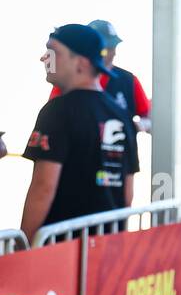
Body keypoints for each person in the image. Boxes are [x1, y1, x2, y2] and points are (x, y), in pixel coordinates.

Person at [20, 24, 139, 241]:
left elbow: (43, 188)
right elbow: (127, 194)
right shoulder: (122, 116)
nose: (44, 58)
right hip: (108, 245)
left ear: (81, 63)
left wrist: (23, 247)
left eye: (53, 52)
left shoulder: (57, 111)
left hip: (62, 253)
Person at [49, 20, 152, 132]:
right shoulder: (68, 81)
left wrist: (137, 125)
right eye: (106, 49)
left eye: (114, 47)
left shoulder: (129, 80)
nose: (113, 53)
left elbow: (149, 117)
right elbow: (52, 117)